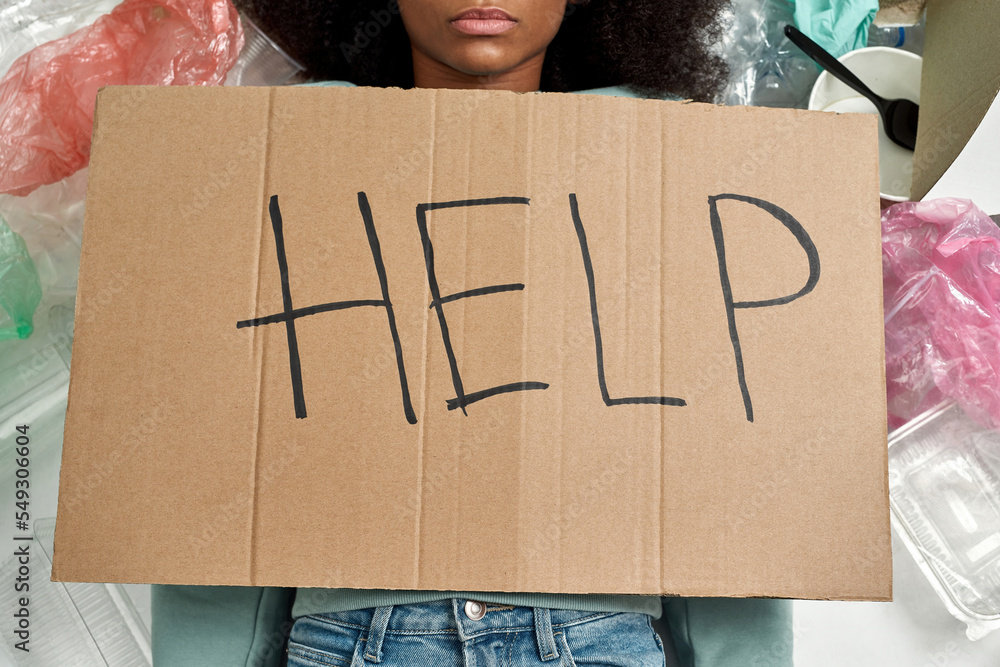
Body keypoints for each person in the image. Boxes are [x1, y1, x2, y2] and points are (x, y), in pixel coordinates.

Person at [152, 2, 793, 665]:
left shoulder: (671, 151)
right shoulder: (284, 151)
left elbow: (717, 476)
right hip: (356, 635)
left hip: (596, 637)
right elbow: (224, 464)